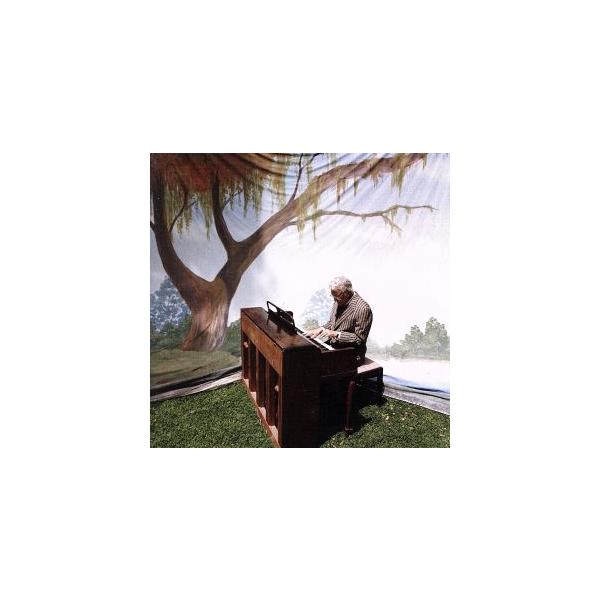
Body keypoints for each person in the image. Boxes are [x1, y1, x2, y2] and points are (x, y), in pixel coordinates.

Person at [305, 276, 373, 360]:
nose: (334, 300)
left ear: (346, 293)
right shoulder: (339, 299)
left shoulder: (363, 309)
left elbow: (359, 339)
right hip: (334, 346)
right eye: (333, 296)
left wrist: (337, 334)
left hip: (352, 354)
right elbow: (333, 323)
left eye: (337, 297)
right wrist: (321, 329)